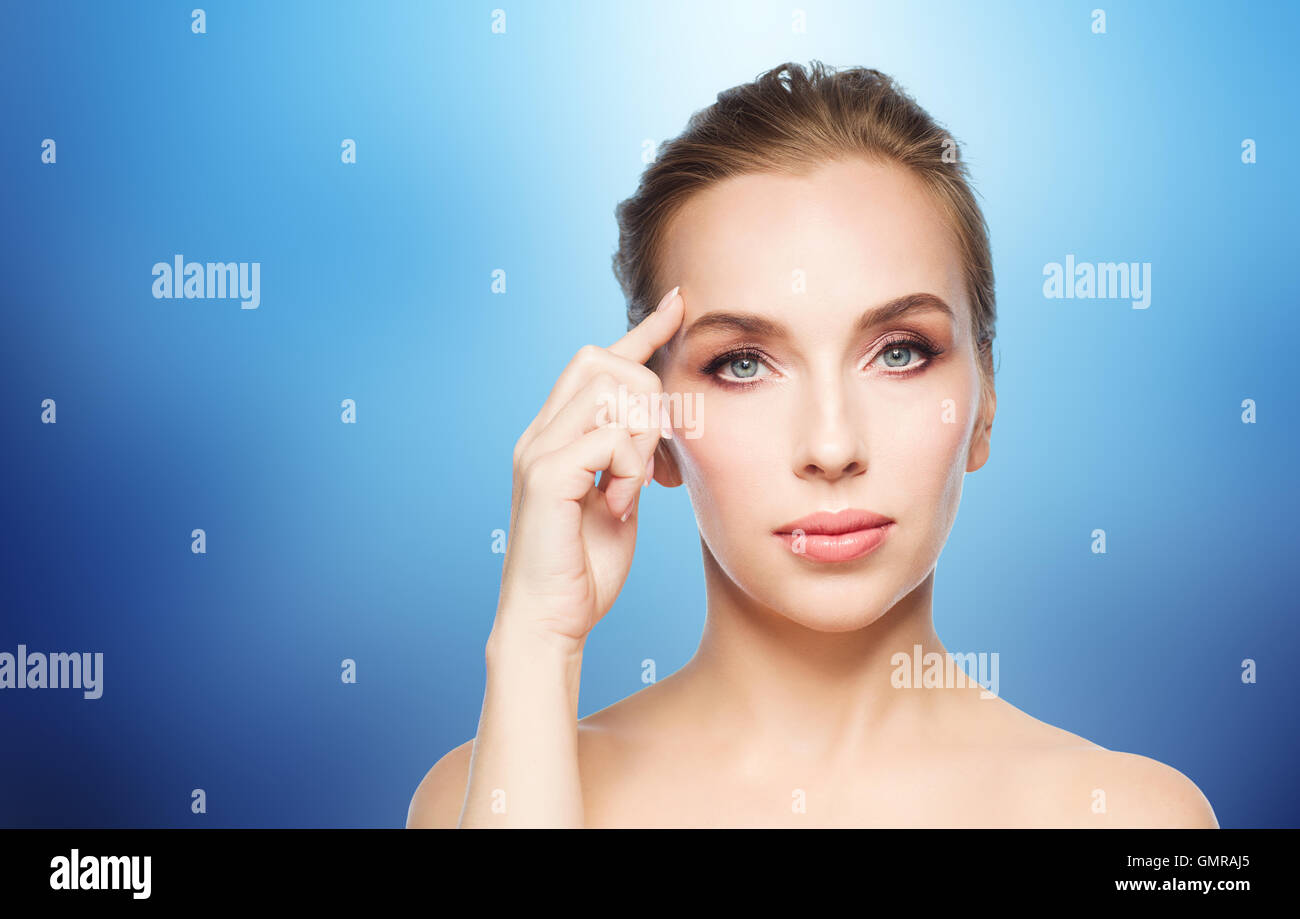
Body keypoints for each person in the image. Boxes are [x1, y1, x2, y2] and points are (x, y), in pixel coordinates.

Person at [407, 61, 1218, 828]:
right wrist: (536, 642)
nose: (831, 447)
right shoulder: (488, 791)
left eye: (900, 351)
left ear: (984, 402)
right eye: (743, 364)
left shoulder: (1138, 818)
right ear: (650, 426)